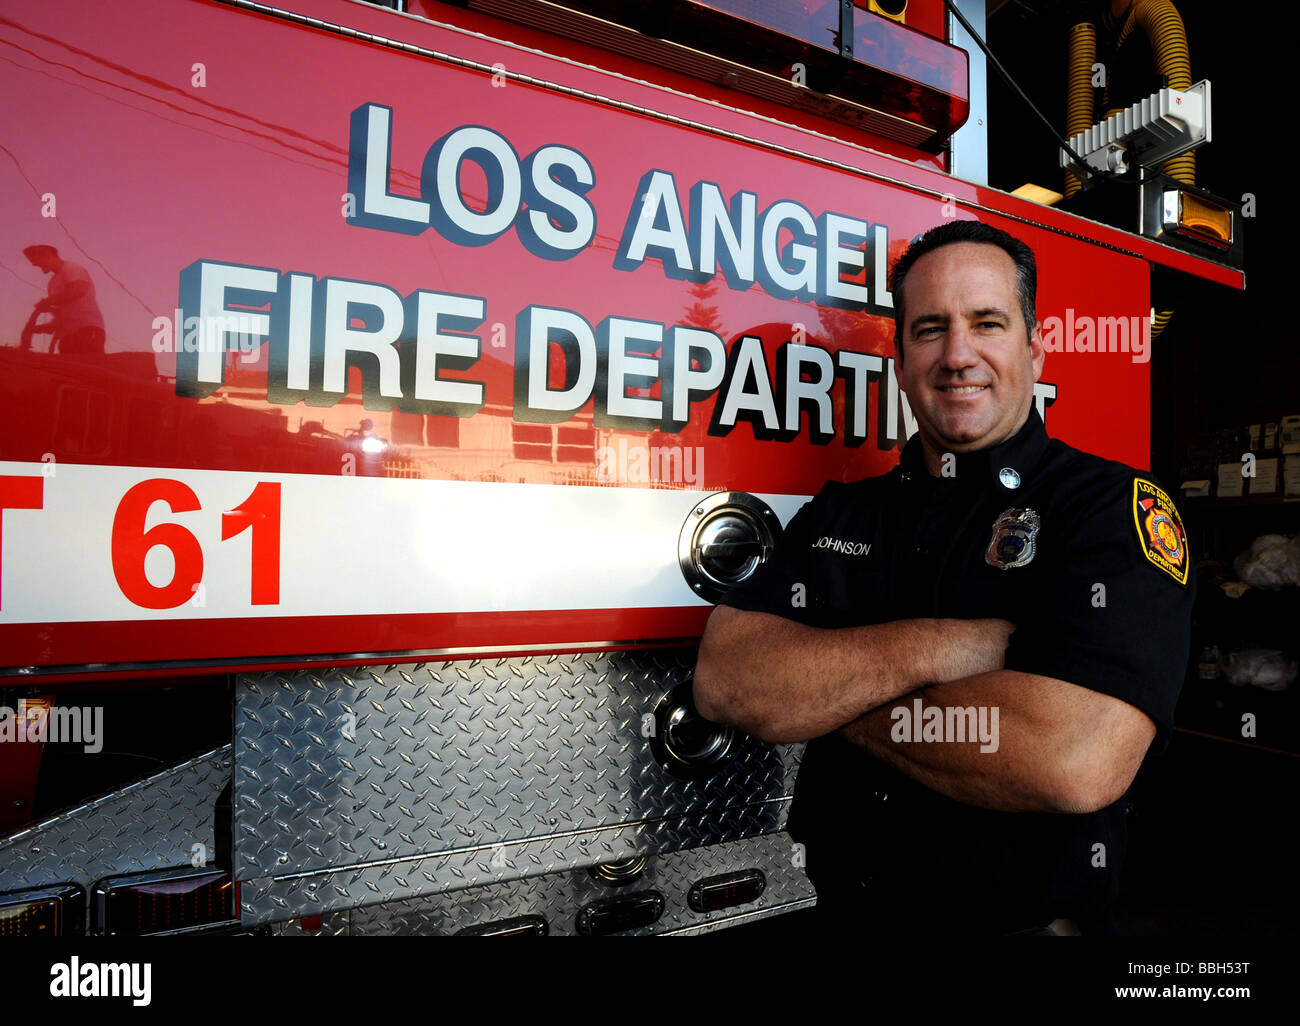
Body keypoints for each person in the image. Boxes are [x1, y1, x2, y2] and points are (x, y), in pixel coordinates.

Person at [693, 220, 1193, 935]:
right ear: (899, 360)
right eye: (930, 329)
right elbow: (728, 679)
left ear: (1035, 346)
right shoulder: (845, 511)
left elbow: (1075, 756)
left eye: (987, 323)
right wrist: (943, 649)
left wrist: (826, 697)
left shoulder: (1106, 510)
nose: (958, 356)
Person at [21, 244, 105, 356]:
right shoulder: (52, 283)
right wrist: (35, 329)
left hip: (87, 329)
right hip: (67, 336)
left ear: (47, 255)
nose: (34, 264)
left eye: (36, 261)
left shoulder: (72, 269)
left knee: (88, 368)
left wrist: (49, 301)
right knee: (68, 370)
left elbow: (79, 289)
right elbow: (59, 320)